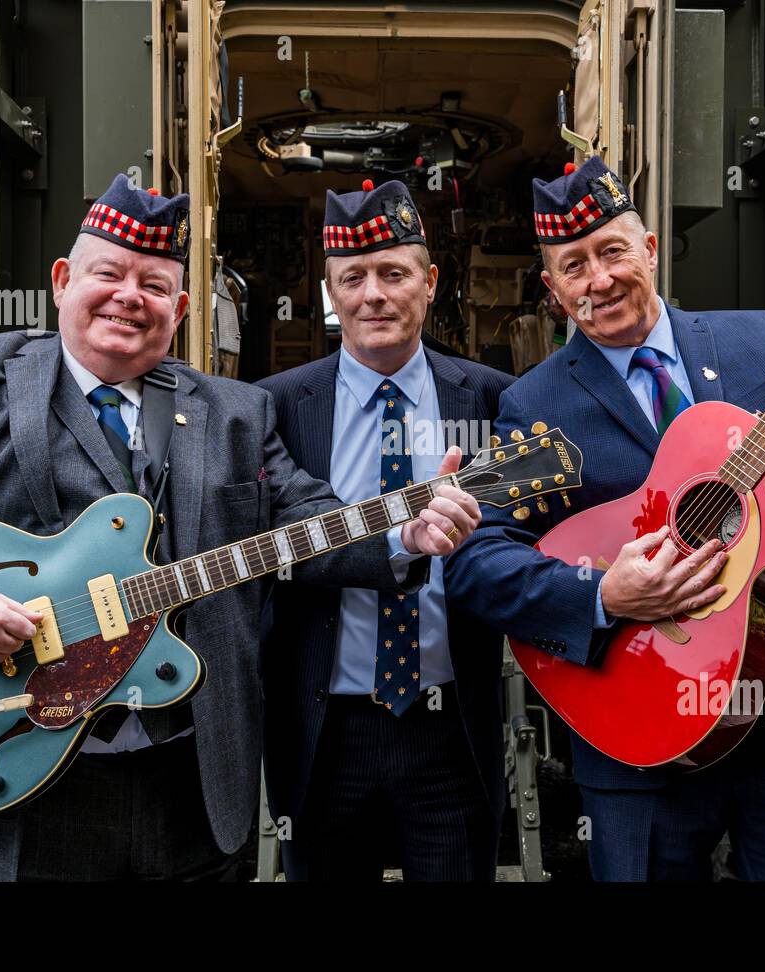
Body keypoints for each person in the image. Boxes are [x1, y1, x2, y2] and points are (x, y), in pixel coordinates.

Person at [0, 174, 480, 881]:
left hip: (189, 779)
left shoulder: (237, 413)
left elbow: (306, 520)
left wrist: (406, 533)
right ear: (63, 281)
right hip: (21, 774)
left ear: (179, 308)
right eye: (108, 274)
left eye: (154, 285)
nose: (130, 296)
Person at [443, 157, 765, 881]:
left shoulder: (762, 342)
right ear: (553, 288)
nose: (599, 280)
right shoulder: (535, 408)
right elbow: (475, 561)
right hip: (645, 721)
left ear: (650, 250)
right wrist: (600, 596)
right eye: (574, 266)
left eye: (613, 251)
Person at [257, 180, 514, 881]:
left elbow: (518, 549)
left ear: (430, 284)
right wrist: (402, 541)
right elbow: (283, 545)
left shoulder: (489, 399)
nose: (373, 294)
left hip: (450, 728)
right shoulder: (276, 407)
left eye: (393, 273)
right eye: (353, 278)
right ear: (330, 293)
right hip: (323, 728)